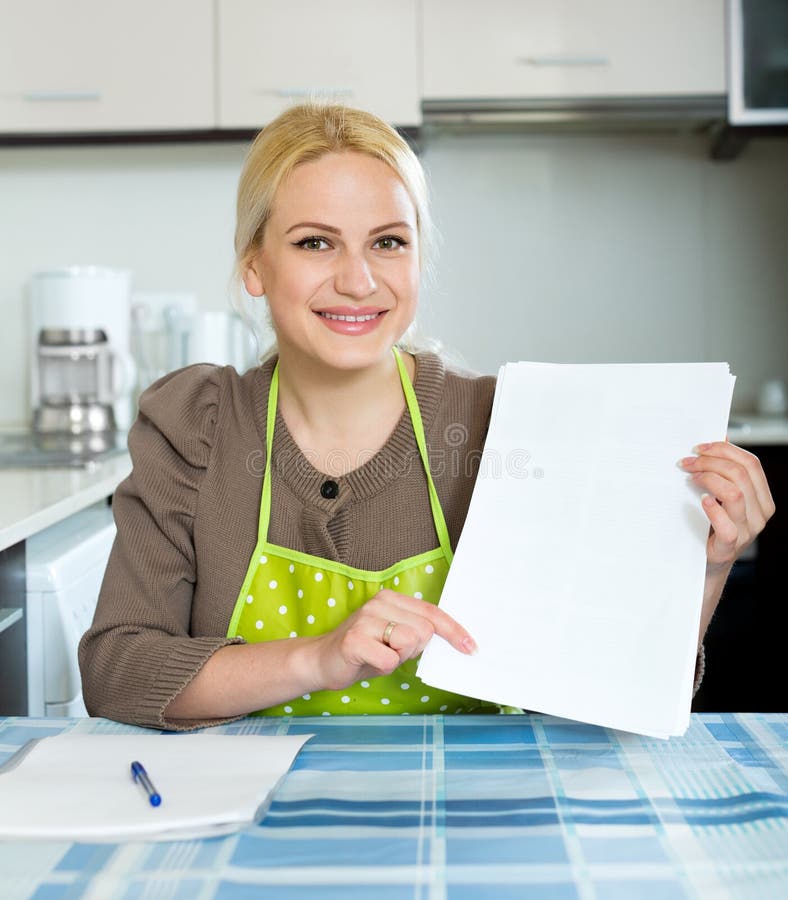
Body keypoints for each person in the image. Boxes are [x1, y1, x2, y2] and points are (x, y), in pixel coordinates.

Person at [78, 104, 775, 730]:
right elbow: (118, 670)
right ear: (255, 265)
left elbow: (610, 684)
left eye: (388, 242)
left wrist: (705, 566)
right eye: (315, 242)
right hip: (247, 813)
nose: (358, 280)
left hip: (471, 815)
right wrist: (317, 658)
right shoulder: (195, 427)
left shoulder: (502, 425)